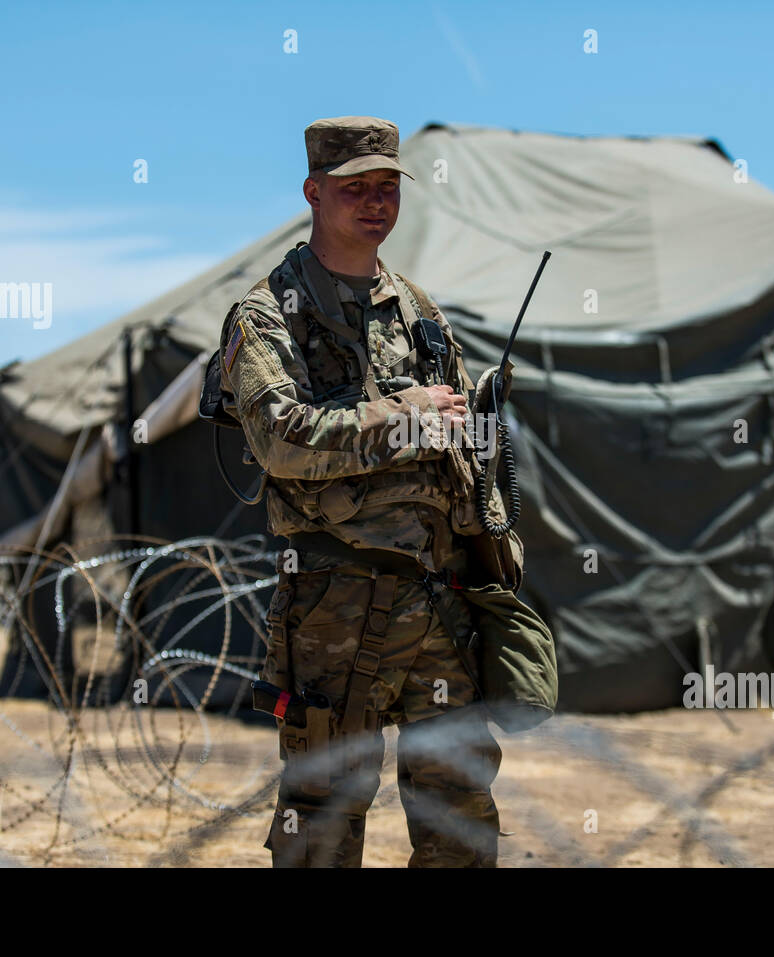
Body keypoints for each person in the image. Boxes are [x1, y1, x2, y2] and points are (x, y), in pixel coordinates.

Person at [219, 115, 510, 867]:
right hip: (332, 609)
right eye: (355, 188)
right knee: (322, 818)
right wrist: (403, 421)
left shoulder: (421, 314)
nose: (375, 201)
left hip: (439, 603)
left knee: (461, 818)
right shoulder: (267, 313)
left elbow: (464, 445)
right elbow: (282, 438)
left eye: (387, 186)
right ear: (315, 191)